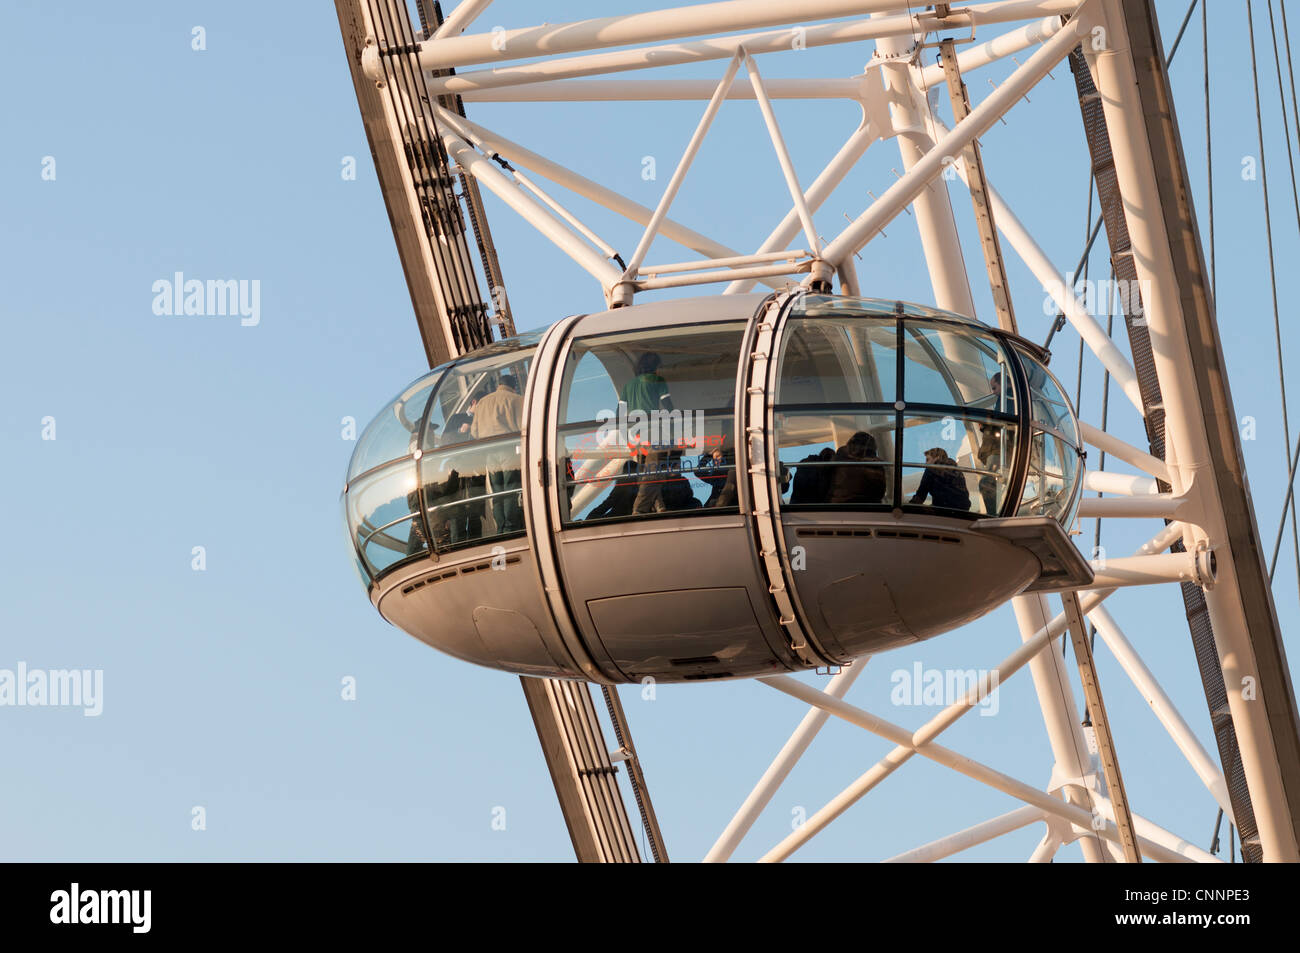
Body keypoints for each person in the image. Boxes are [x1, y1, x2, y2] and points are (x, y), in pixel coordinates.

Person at [620, 353, 674, 514]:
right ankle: (639, 509)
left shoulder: (628, 385)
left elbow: (620, 411)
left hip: (636, 433)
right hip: (654, 431)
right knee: (653, 472)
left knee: (647, 471)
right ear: (655, 367)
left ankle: (659, 506)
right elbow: (669, 406)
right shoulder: (657, 380)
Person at [471, 373, 525, 534]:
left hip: (490, 452)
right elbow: (523, 427)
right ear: (513, 386)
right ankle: (510, 527)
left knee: (497, 493)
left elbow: (474, 431)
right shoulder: (516, 399)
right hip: (509, 451)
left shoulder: (482, 402)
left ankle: (501, 527)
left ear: (498, 386)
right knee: (510, 490)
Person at [828, 431, 887, 504]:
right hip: (867, 505)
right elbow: (880, 491)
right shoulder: (875, 464)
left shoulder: (840, 456)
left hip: (838, 503)